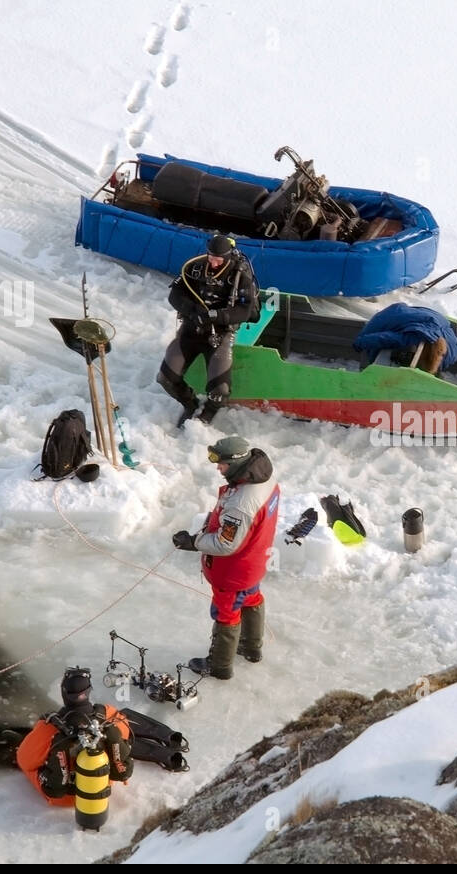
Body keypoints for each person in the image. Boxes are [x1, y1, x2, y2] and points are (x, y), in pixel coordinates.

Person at [172, 435, 280, 679]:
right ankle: (251, 648)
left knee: (226, 612)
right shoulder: (266, 480)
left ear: (238, 463)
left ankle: (219, 666)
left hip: (233, 571)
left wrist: (193, 542)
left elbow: (224, 543)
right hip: (256, 560)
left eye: (221, 464)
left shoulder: (241, 503)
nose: (218, 468)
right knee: (252, 597)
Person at [157, 233, 260, 428]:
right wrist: (192, 310)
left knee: (220, 390)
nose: (213, 263)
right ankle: (190, 403)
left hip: (220, 333)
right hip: (192, 328)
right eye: (211, 258)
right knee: (165, 378)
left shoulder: (240, 275)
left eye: (218, 260)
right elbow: (175, 295)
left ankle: (209, 411)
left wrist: (216, 316)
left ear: (228, 257)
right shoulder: (195, 267)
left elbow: (245, 311)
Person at [15, 667, 133, 806]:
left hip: (63, 798)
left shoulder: (48, 728)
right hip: (100, 789)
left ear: (64, 693)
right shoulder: (108, 714)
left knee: (28, 763)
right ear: (88, 691)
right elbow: (126, 733)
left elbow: (24, 760)